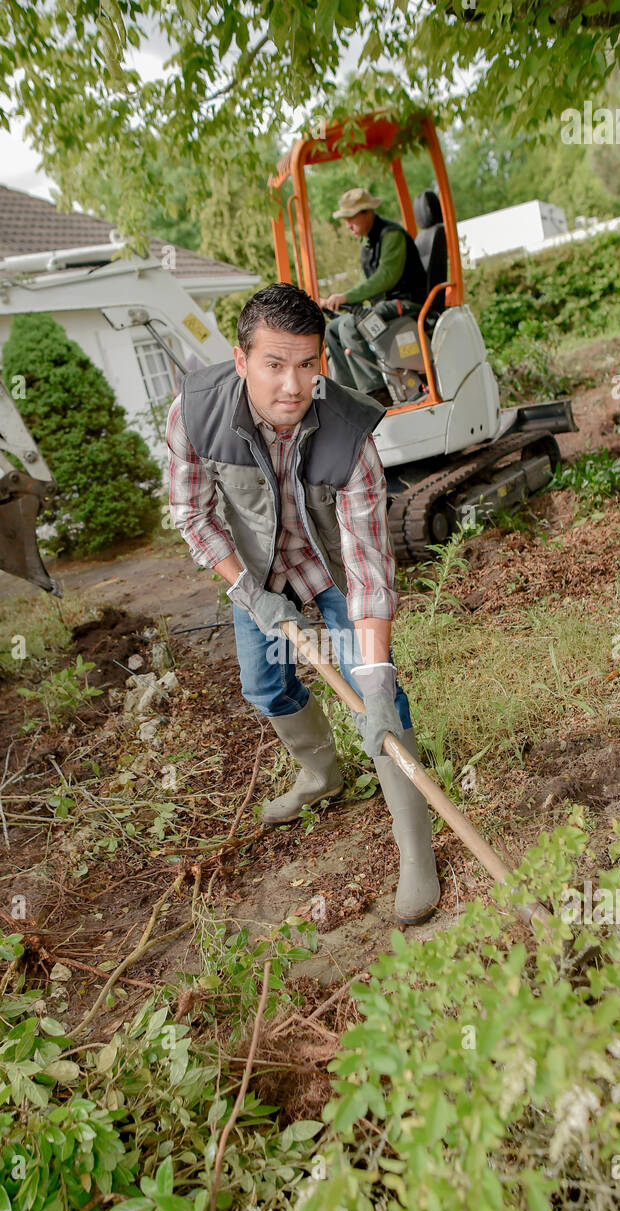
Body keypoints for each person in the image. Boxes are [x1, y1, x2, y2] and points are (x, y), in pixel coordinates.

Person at [166, 282, 440, 926]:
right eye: (274, 364)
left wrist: (373, 678)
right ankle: (322, 775)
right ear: (240, 360)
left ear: (322, 359)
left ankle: (415, 842)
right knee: (265, 687)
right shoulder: (195, 413)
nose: (293, 385)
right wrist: (247, 591)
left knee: (379, 694)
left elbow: (370, 566)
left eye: (308, 364)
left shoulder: (351, 434)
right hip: (257, 566)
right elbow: (191, 513)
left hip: (327, 564)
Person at [318, 187, 427, 400]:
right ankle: (349, 394)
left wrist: (348, 297)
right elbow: (367, 282)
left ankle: (376, 394)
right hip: (384, 306)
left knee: (350, 325)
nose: (348, 225)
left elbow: (385, 277)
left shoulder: (391, 236)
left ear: (367, 212)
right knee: (333, 328)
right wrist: (338, 299)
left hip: (405, 303)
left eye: (351, 218)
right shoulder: (368, 243)